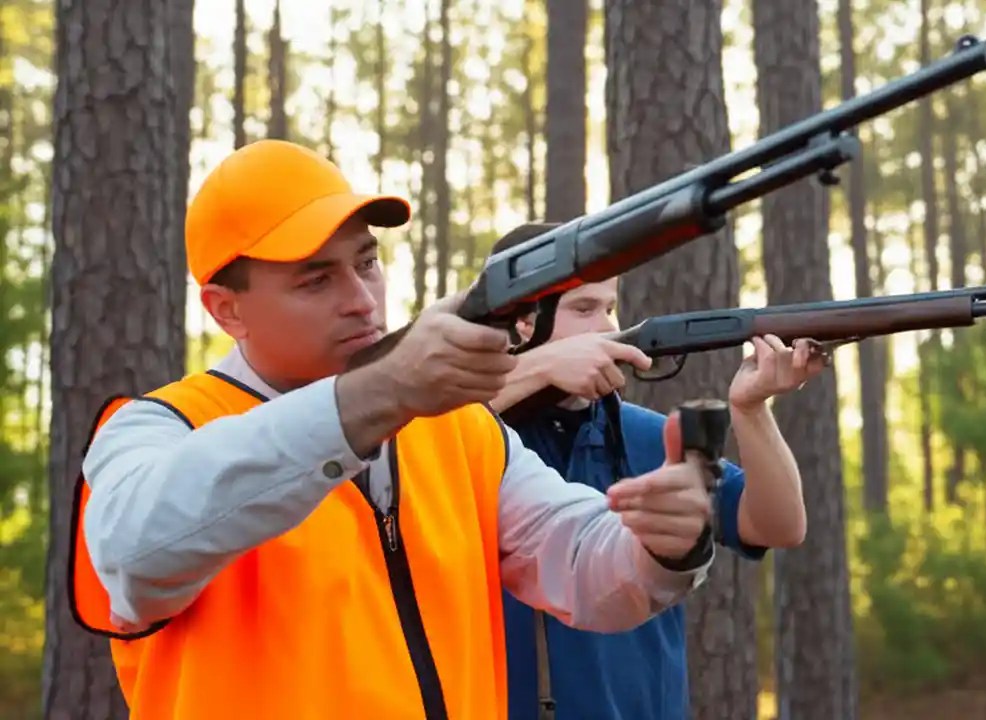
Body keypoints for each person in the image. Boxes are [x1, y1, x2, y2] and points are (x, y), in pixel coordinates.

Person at [68, 140, 722, 720]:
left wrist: (664, 546)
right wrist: (380, 393)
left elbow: (582, 565)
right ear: (226, 309)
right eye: (316, 279)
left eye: (368, 263)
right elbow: (134, 555)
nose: (361, 298)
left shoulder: (457, 426)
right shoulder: (154, 429)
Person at [485, 225, 826, 720]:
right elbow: (412, 432)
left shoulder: (646, 434)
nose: (605, 327)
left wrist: (751, 410)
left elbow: (779, 525)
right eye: (584, 310)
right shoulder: (469, 436)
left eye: (609, 308)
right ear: (521, 322)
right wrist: (538, 370)